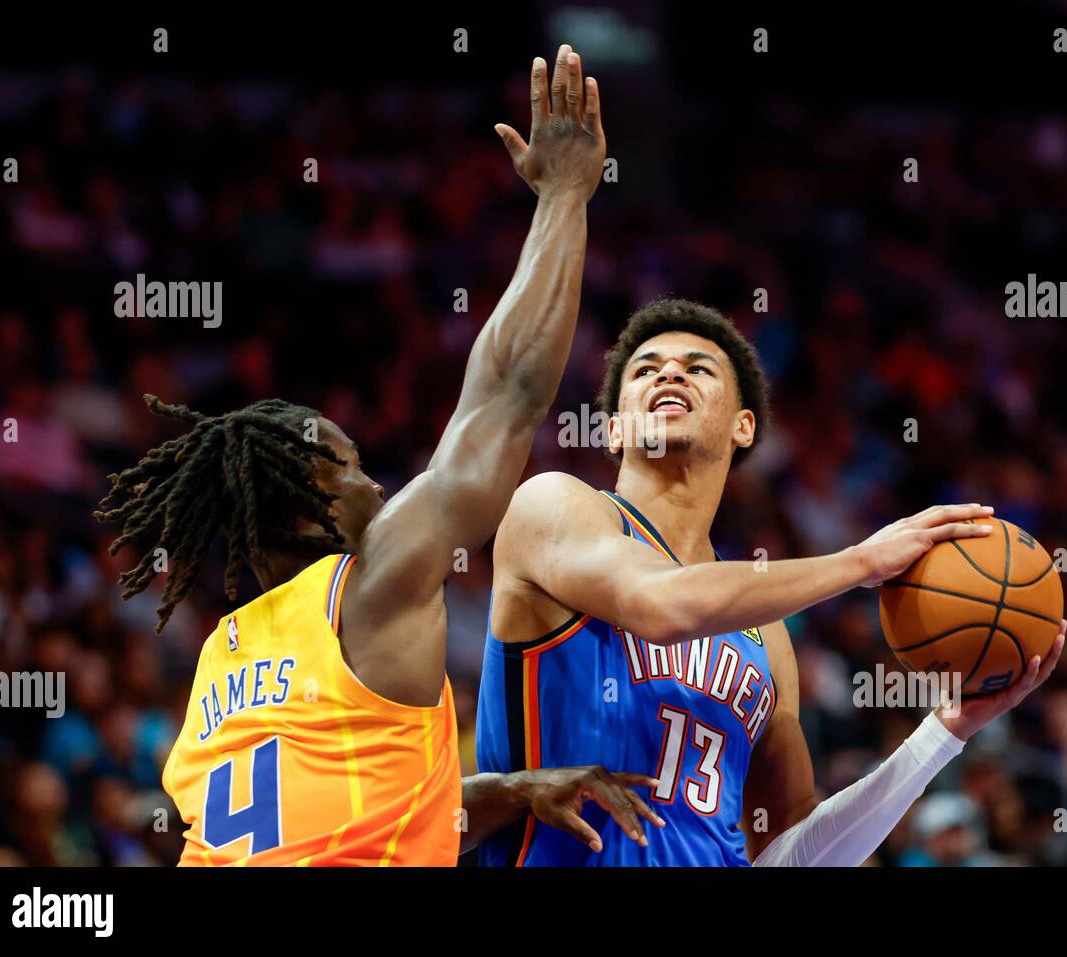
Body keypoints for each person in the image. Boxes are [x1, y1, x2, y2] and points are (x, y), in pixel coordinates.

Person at [97, 45, 658, 865]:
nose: (378, 481)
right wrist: (566, 195)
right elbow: (506, 394)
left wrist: (504, 790)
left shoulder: (223, 656)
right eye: (349, 465)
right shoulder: (370, 581)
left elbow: (318, 823)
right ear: (305, 507)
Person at [477, 298, 1066, 865]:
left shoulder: (765, 635)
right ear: (611, 430)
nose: (670, 374)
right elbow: (660, 605)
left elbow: (795, 851)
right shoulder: (553, 506)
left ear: (743, 426)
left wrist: (944, 732)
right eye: (646, 369)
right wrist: (862, 561)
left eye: (697, 368)